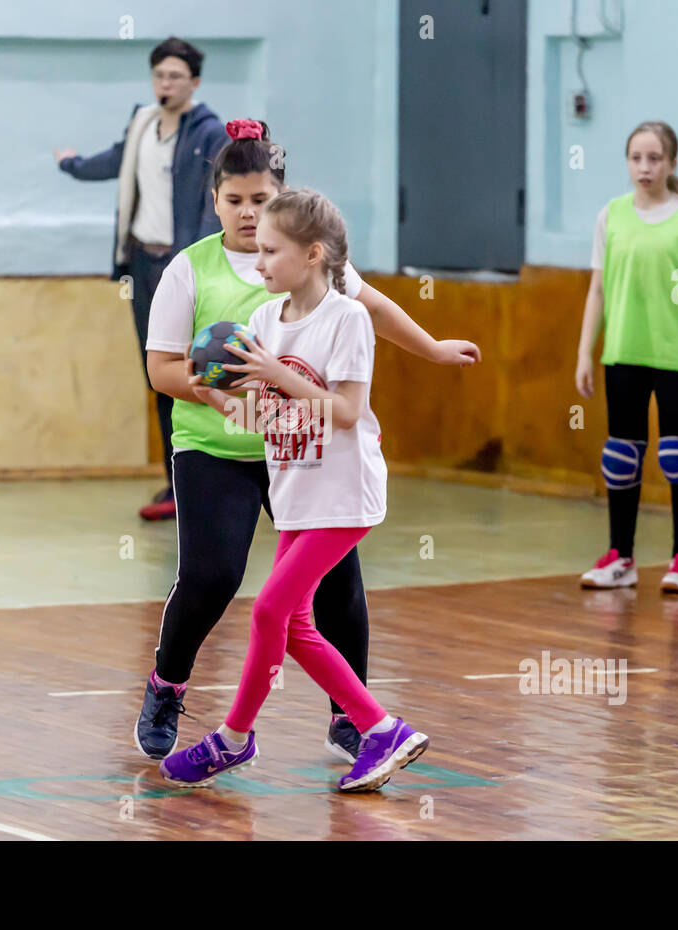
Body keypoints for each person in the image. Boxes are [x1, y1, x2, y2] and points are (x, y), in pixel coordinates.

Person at [137, 119, 480, 762]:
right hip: (220, 445)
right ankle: (168, 685)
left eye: (261, 200)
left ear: (283, 201)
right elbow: (161, 369)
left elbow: (372, 312)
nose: (247, 213)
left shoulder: (312, 267)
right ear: (215, 200)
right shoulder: (191, 271)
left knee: (336, 588)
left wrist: (432, 348)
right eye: (234, 200)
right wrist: (216, 392)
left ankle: (352, 718)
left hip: (305, 450)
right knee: (212, 577)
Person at [159, 189, 428, 792]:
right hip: (296, 494)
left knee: (271, 610)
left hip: (344, 494)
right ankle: (238, 739)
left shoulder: (348, 319)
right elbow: (265, 415)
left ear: (312, 255)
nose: (259, 265)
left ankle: (371, 728)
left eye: (272, 252)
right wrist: (219, 396)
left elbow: (348, 411)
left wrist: (277, 374)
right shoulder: (261, 321)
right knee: (287, 622)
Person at [55, 37, 231, 521]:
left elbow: (213, 205)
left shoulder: (208, 133)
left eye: (175, 76)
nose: (165, 84)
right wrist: (70, 165)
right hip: (142, 264)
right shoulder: (142, 125)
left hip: (184, 268)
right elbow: (113, 162)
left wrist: (198, 266)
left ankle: (209, 480)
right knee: (160, 374)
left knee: (198, 370)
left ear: (194, 82)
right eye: (159, 75)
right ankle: (175, 482)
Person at [575, 121, 678, 593]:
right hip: (623, 349)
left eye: (654, 158)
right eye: (637, 158)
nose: (645, 167)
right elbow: (597, 288)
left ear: (672, 164)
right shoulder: (611, 216)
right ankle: (621, 557)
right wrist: (586, 351)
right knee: (621, 457)